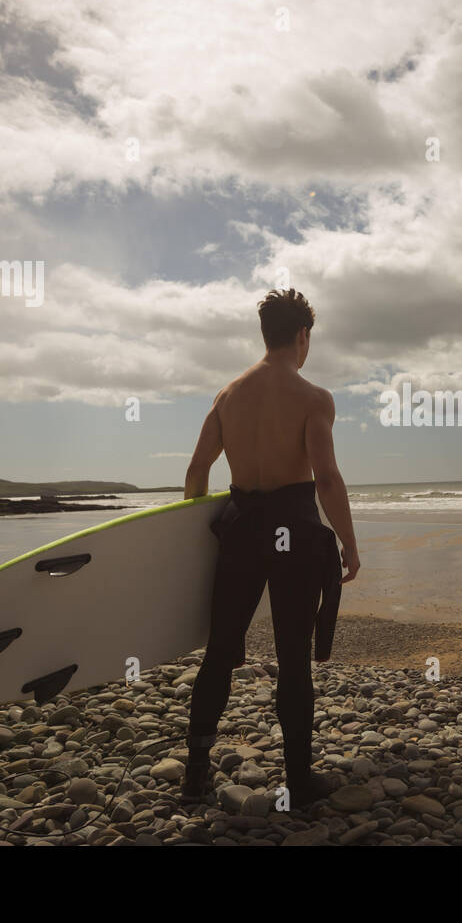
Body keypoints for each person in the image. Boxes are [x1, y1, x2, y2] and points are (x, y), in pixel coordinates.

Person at [180, 288, 360, 808]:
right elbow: (325, 477)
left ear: (267, 335)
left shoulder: (228, 395)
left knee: (219, 652)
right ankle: (299, 781)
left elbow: (197, 472)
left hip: (240, 527)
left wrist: (198, 536)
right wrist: (348, 543)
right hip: (293, 530)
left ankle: (195, 772)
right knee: (292, 658)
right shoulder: (313, 398)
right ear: (302, 337)